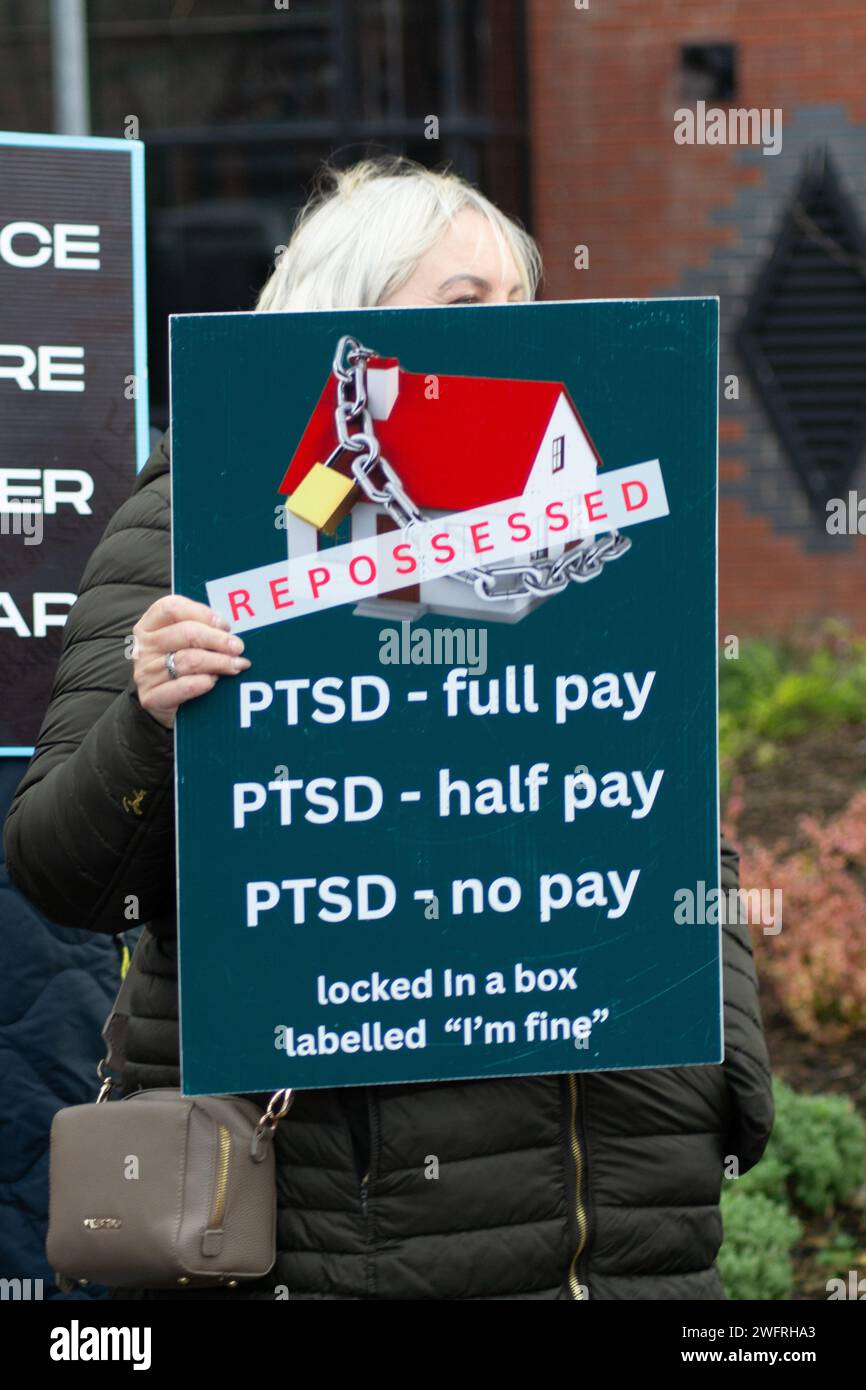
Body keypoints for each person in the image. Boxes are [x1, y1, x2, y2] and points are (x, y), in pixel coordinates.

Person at [4, 156, 773, 1301]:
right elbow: (62, 871)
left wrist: (718, 1055)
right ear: (342, 324)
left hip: (612, 1198)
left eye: (521, 305)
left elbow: (645, 788)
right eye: (466, 306)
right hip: (348, 1209)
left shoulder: (577, 498)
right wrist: (150, 719)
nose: (510, 334)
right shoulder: (210, 514)